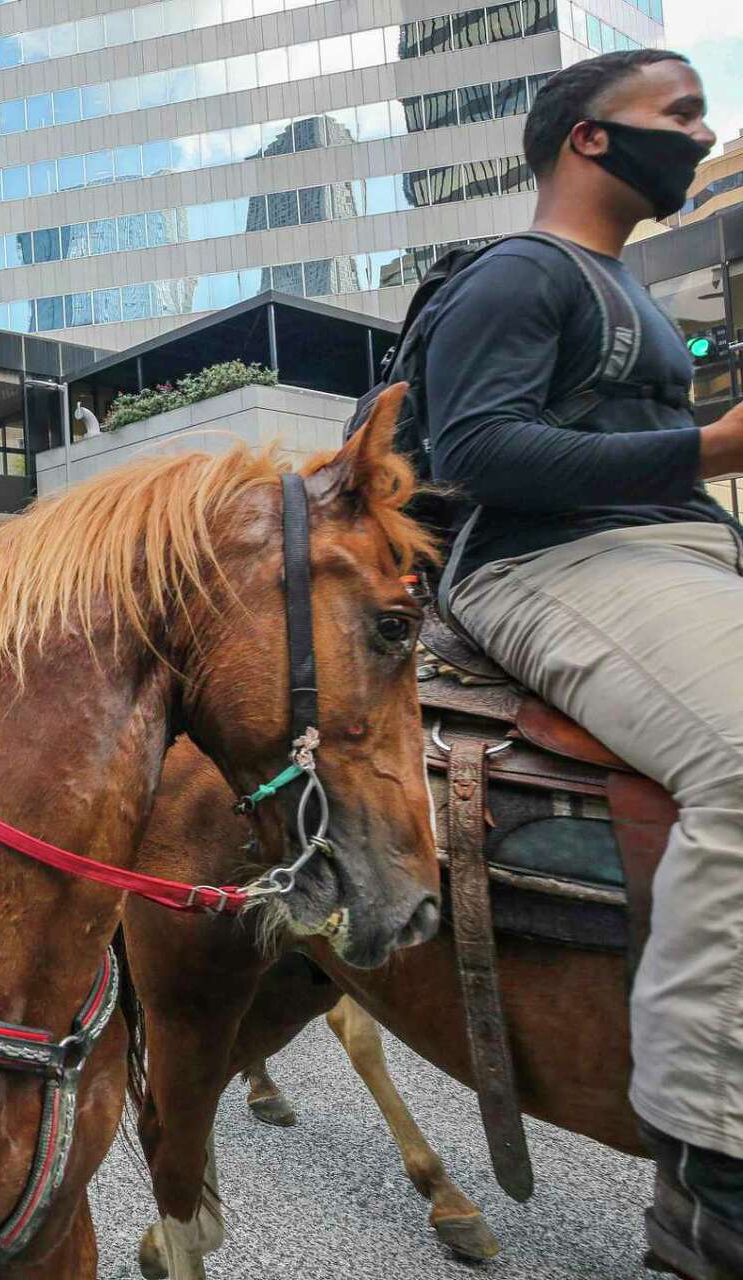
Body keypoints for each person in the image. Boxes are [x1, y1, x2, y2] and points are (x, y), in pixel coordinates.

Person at [416, 50, 741, 1277]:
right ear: (590, 139)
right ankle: (716, 1177)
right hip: (553, 567)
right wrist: (706, 445)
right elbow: (481, 450)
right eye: (682, 115)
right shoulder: (521, 271)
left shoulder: (631, 291)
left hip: (682, 560)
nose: (702, 136)